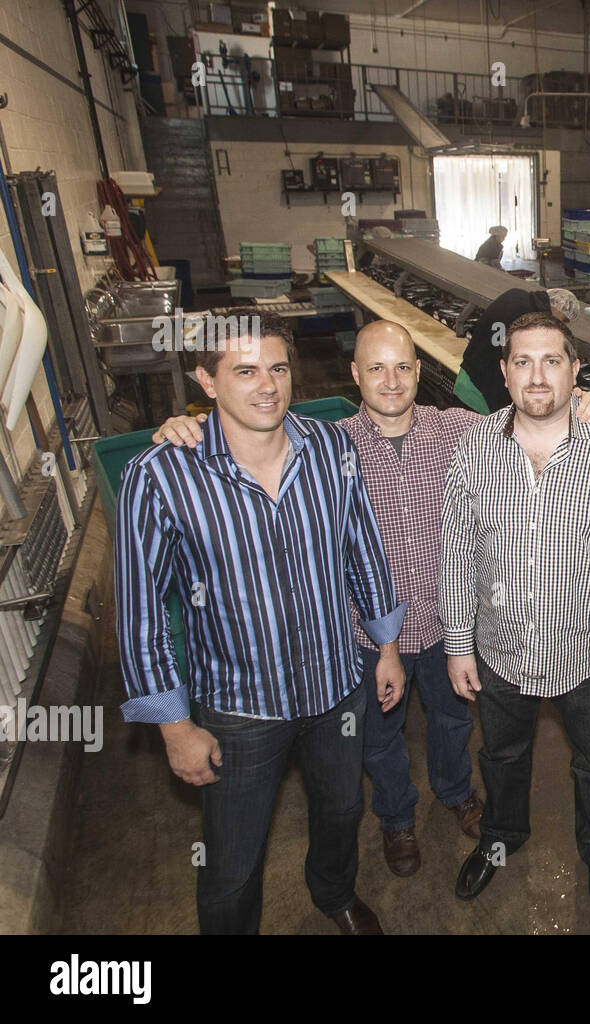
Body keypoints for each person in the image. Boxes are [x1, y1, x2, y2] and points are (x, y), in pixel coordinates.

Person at [150, 319, 590, 881]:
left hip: (449, 628)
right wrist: (189, 423)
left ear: (419, 372)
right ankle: (396, 818)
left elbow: (534, 407)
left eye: (402, 367)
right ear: (354, 375)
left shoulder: (459, 433)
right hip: (368, 635)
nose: (390, 381)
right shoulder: (324, 445)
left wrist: (587, 401)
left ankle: (457, 794)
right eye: (375, 368)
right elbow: (248, 424)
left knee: (451, 721)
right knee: (376, 738)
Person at [116, 313, 405, 935]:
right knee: (232, 859)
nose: (267, 385)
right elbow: (140, 612)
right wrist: (173, 726)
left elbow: (363, 547)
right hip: (240, 708)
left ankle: (334, 893)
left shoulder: (331, 448)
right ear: (206, 380)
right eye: (244, 371)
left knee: (341, 809)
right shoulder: (160, 477)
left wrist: (386, 645)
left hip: (336, 689)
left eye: (277, 368)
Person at [441, 311, 590, 916]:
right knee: (502, 755)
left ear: (575, 371)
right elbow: (457, 554)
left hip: (588, 652)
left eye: (552, 361)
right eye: (522, 362)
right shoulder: (475, 448)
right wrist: (459, 644)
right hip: (501, 648)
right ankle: (501, 837)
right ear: (505, 373)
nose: (538, 376)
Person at [455, 286, 583, 414]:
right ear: (559, 307)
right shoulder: (534, 322)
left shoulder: (515, 295)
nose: (561, 324)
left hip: (468, 376)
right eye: (564, 319)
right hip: (483, 393)